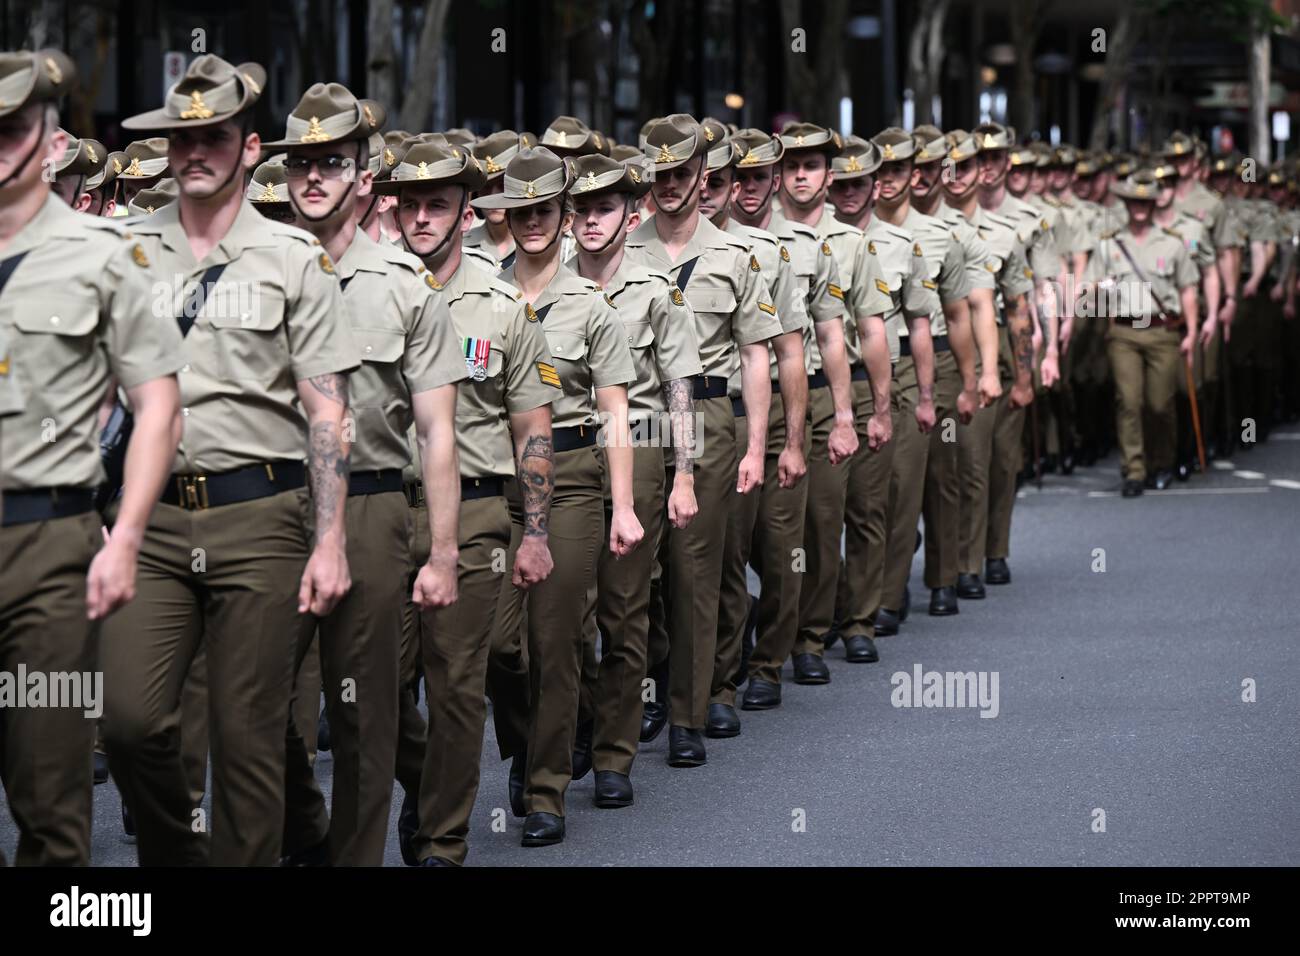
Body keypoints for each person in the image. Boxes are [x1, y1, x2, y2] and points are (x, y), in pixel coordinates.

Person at [100, 54, 360, 866]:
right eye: (183, 138)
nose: (196, 151)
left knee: (245, 737)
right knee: (130, 722)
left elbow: (327, 412)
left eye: (215, 136)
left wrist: (329, 539)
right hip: (153, 519)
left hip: (262, 517)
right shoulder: (123, 252)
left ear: (250, 148)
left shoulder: (291, 260)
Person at [263, 84, 467, 866]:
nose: (314, 176)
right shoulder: (253, 274)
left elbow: (438, 431)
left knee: (363, 715)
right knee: (252, 704)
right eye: (302, 163)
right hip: (273, 507)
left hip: (376, 510)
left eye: (331, 163)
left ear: (362, 179)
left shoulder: (404, 287)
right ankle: (300, 829)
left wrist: (443, 552)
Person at [0, 48, 184, 865]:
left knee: (48, 795)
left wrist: (129, 538)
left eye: (16, 128)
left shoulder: (103, 257)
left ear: (48, 138)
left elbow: (156, 407)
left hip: (50, 545)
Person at [377, 137, 558, 865]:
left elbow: (533, 428)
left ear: (466, 212)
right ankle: (427, 792)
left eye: (438, 205)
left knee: (457, 689)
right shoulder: (363, 291)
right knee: (374, 687)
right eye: (411, 204)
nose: (422, 218)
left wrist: (536, 532)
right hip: (383, 508)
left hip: (479, 512)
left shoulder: (501, 307)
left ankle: (443, 842)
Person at [478, 145, 639, 846]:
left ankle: (546, 790)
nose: (534, 223)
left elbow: (614, 413)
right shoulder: (481, 295)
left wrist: (625, 505)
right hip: (494, 481)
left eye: (546, 210)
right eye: (523, 212)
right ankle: (527, 741)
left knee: (554, 639)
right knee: (493, 643)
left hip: (571, 481)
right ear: (508, 218)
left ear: (565, 216)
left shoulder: (590, 306)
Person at [626, 113, 783, 766]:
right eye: (659, 174)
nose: (670, 184)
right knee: (638, 575)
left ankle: (691, 710)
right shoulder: (617, 250)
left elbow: (754, 357)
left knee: (696, 568)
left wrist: (756, 446)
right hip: (633, 422)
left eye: (682, 173)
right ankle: (652, 680)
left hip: (711, 421)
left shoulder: (734, 254)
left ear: (703, 177)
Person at [569, 151, 702, 804]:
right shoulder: (539, 286)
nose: (592, 221)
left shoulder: (655, 289)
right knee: (563, 615)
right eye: (583, 210)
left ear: (631, 214)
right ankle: (582, 713)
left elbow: (680, 386)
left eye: (605, 209)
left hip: (643, 447)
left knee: (625, 609)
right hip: (563, 453)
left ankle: (614, 755)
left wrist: (683, 475)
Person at [941, 129, 1035, 597]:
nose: (957, 177)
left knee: (999, 463)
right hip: (937, 344)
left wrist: (1024, 375)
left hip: (991, 344)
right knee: (963, 463)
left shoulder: (1004, 234)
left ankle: (991, 552)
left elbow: (1018, 308)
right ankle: (961, 560)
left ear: (983, 172)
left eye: (968, 167)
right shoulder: (926, 229)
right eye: (949, 167)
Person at [1079, 170, 1199, 497]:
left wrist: (1191, 331)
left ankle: (1162, 463)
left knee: (1159, 404)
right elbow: (1088, 288)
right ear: (1127, 203)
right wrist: (1096, 291)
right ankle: (1134, 469)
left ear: (1153, 203)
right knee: (1128, 401)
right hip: (1125, 332)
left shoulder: (1173, 243)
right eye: (1134, 202)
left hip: (1162, 331)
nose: (1140, 208)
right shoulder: (1109, 244)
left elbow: (1188, 289)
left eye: (1146, 202)